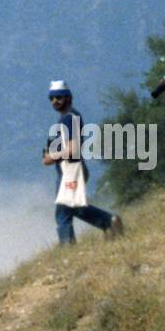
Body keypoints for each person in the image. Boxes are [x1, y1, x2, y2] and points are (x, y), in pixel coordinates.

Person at [42, 80, 123, 244]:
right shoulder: (69, 117)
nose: (54, 101)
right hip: (69, 170)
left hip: (71, 171)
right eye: (51, 98)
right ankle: (109, 222)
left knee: (63, 211)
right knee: (74, 207)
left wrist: (51, 157)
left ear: (68, 97)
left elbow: (73, 149)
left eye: (58, 97)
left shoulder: (68, 119)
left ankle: (68, 246)